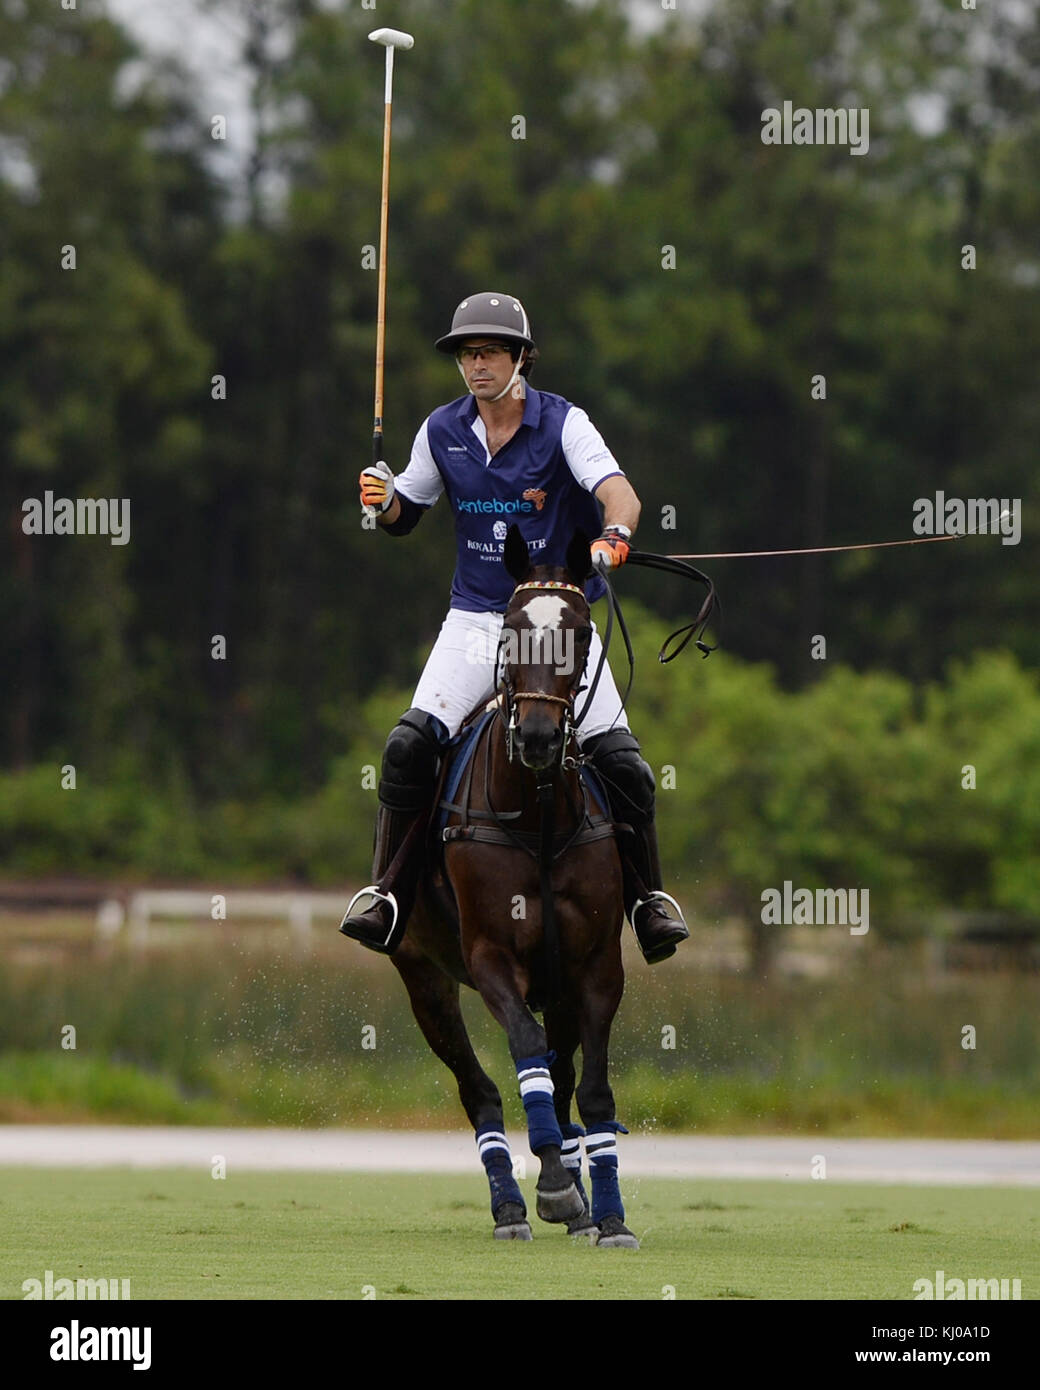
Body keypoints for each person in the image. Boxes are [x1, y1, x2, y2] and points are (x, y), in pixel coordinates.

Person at [340, 291, 688, 964]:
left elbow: (620, 493)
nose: (477, 366)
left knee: (624, 765)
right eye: (468, 354)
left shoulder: (563, 424)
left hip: (554, 617)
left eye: (491, 353)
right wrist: (379, 503)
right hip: (476, 621)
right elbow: (404, 516)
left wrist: (614, 534)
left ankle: (648, 901)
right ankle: (387, 892)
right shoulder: (441, 430)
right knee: (408, 748)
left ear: (521, 357)